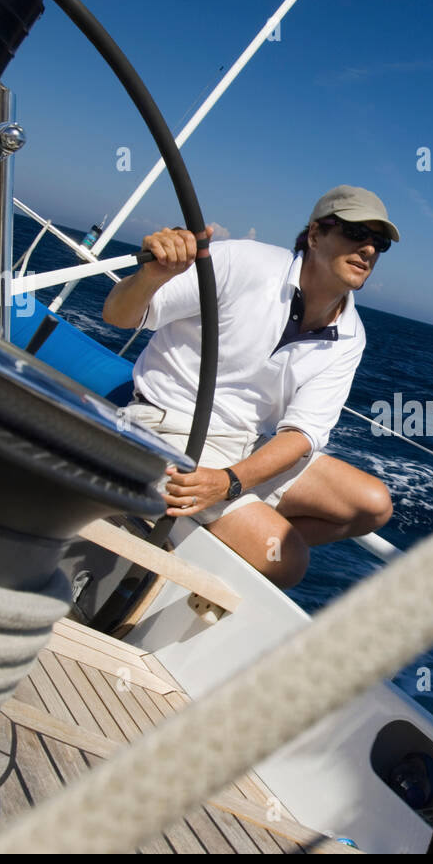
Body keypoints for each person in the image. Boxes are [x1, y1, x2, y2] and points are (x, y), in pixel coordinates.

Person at [102, 185, 397, 588]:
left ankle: (218, 531)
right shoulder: (244, 263)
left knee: (372, 506)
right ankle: (224, 533)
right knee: (288, 561)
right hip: (166, 427)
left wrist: (229, 482)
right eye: (355, 233)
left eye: (378, 243)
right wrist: (151, 277)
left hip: (243, 444)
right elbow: (118, 314)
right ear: (314, 235)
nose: (368, 250)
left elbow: (302, 435)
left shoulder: (351, 335)